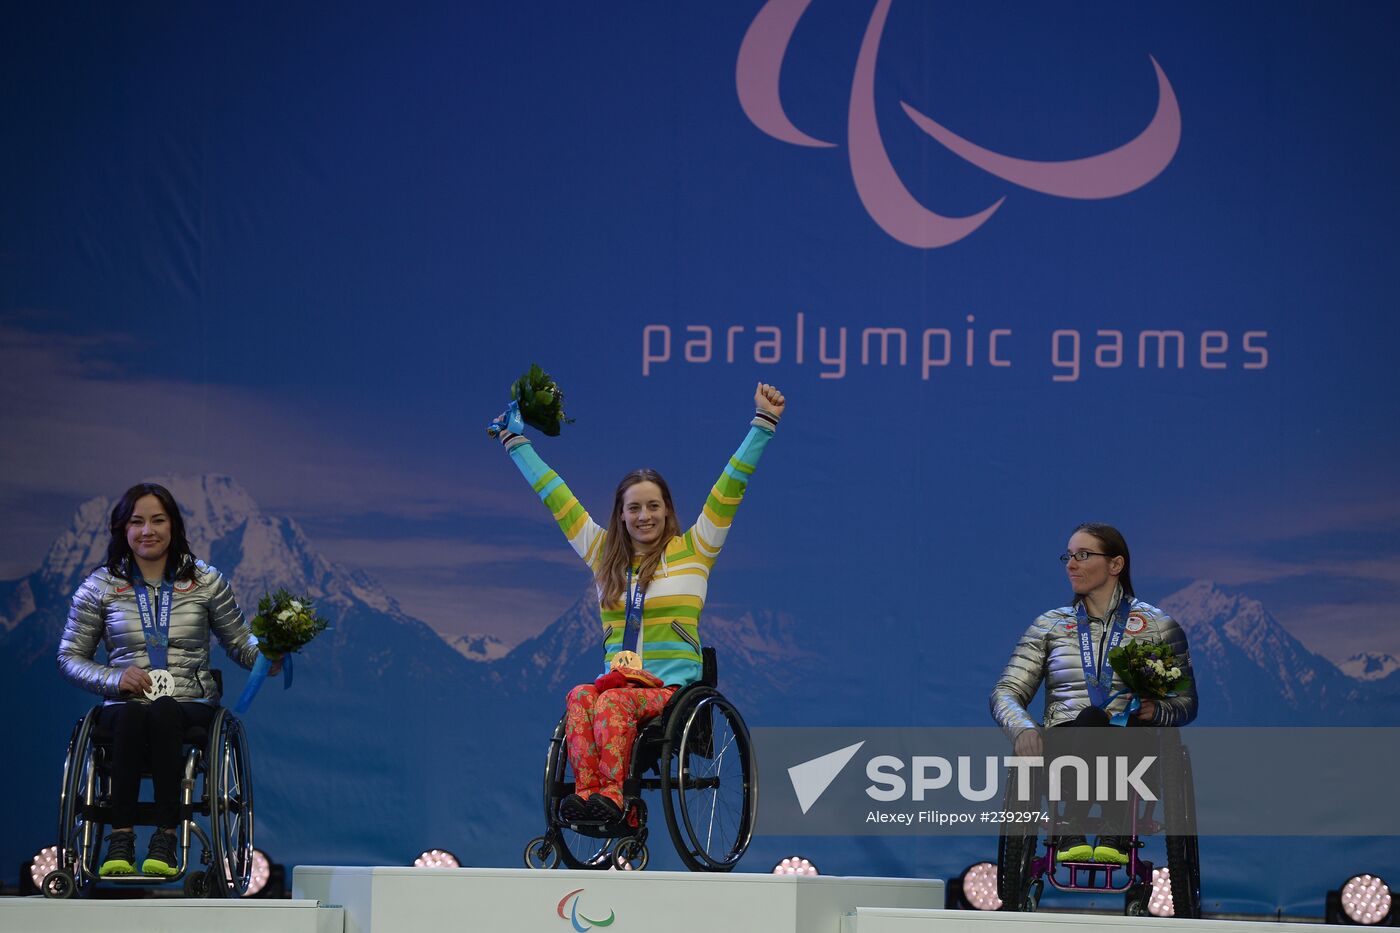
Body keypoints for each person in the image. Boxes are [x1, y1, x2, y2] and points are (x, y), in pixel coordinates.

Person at [492, 383, 785, 823]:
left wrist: (763, 423)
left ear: (667, 510)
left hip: (668, 692)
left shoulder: (695, 549)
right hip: (618, 684)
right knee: (579, 697)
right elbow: (557, 498)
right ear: (621, 514)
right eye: (634, 508)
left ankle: (615, 798)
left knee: (611, 705)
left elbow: (731, 487)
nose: (644, 516)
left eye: (653, 506)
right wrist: (517, 443)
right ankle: (590, 799)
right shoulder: (603, 554)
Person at [56, 483, 278, 878]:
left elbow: (240, 642)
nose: (148, 530)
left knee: (163, 711)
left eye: (158, 520)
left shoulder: (206, 581)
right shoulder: (100, 586)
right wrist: (115, 677)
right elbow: (69, 657)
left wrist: (270, 655)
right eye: (137, 521)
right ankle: (119, 837)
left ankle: (166, 835)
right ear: (122, 529)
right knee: (130, 716)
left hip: (188, 703)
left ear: (173, 526)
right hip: (124, 705)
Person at [990, 522, 1197, 864]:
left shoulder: (1159, 626)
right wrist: (1022, 728)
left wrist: (1156, 711)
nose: (1071, 564)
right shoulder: (1050, 625)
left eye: (1083, 555)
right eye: (1068, 556)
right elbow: (1006, 691)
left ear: (1116, 565)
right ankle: (1073, 820)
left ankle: (1104, 822)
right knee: (1088, 717)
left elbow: (1186, 704)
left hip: (1133, 747)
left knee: (1103, 721)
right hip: (1063, 747)